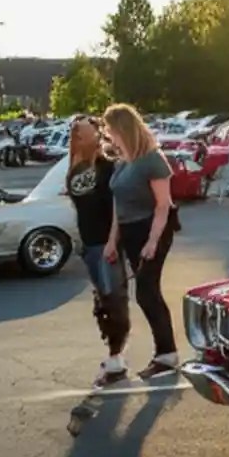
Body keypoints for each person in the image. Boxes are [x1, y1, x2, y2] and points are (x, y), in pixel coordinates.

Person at [101, 103, 180, 380]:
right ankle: (165, 354)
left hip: (152, 229)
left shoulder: (152, 159)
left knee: (147, 292)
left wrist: (153, 242)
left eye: (110, 129)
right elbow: (117, 205)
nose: (108, 134)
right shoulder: (123, 161)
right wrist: (112, 240)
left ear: (123, 128)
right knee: (144, 293)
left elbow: (163, 206)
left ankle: (167, 355)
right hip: (129, 230)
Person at [66, 117, 131, 387]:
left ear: (96, 134)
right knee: (103, 300)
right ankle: (114, 355)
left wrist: (113, 242)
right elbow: (79, 207)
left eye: (85, 127)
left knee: (114, 298)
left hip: (106, 243)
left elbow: (117, 209)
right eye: (76, 129)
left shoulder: (108, 166)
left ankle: (116, 359)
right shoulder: (75, 167)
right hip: (89, 245)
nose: (79, 131)